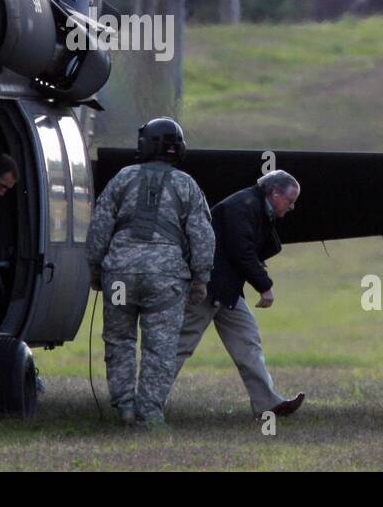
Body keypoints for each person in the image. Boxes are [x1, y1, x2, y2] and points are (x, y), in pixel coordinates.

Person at [86, 117, 215, 428]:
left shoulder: (122, 178)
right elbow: (202, 236)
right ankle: (151, 415)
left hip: (119, 273)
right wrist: (201, 278)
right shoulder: (186, 185)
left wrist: (95, 270)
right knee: (160, 348)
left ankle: (125, 408)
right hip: (166, 279)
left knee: (119, 339)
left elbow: (99, 227)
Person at [172, 170, 305, 419]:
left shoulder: (256, 208)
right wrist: (264, 285)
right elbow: (241, 250)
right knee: (181, 344)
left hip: (228, 291)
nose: (292, 206)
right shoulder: (242, 207)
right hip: (208, 288)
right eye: (290, 200)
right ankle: (148, 402)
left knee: (248, 341)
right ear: (274, 193)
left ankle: (267, 403)